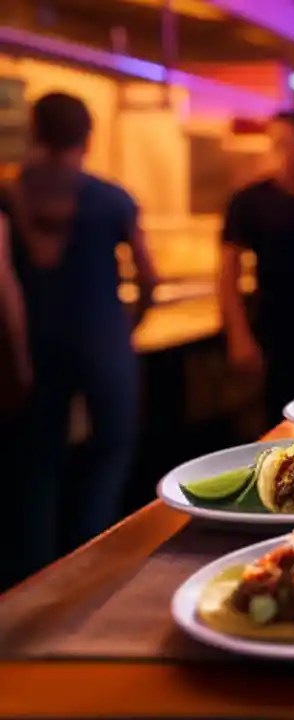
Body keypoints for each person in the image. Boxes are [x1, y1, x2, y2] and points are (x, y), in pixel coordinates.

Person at [3, 92, 157, 578]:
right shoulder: (112, 198)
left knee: (38, 466)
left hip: (39, 345)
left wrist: (18, 357)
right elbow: (149, 275)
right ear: (88, 137)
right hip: (104, 340)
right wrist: (130, 324)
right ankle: (91, 569)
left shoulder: (11, 193)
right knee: (110, 451)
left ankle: (36, 579)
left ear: (36, 131)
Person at [219, 111, 294, 415]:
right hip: (274, 327)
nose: (275, 152)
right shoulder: (249, 201)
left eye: (284, 143)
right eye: (273, 143)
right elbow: (226, 275)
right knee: (280, 415)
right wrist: (239, 336)